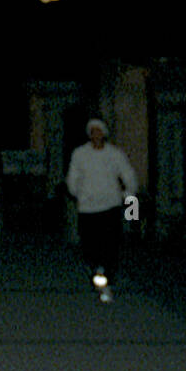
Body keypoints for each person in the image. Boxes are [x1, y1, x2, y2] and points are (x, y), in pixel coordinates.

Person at [65, 118, 137, 301]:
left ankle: (107, 279)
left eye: (99, 131)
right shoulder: (80, 154)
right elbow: (73, 177)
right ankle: (96, 270)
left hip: (110, 205)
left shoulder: (114, 154)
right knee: (90, 245)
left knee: (110, 245)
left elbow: (127, 174)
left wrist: (129, 194)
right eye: (93, 131)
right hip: (88, 207)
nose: (96, 135)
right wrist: (76, 193)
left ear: (104, 133)